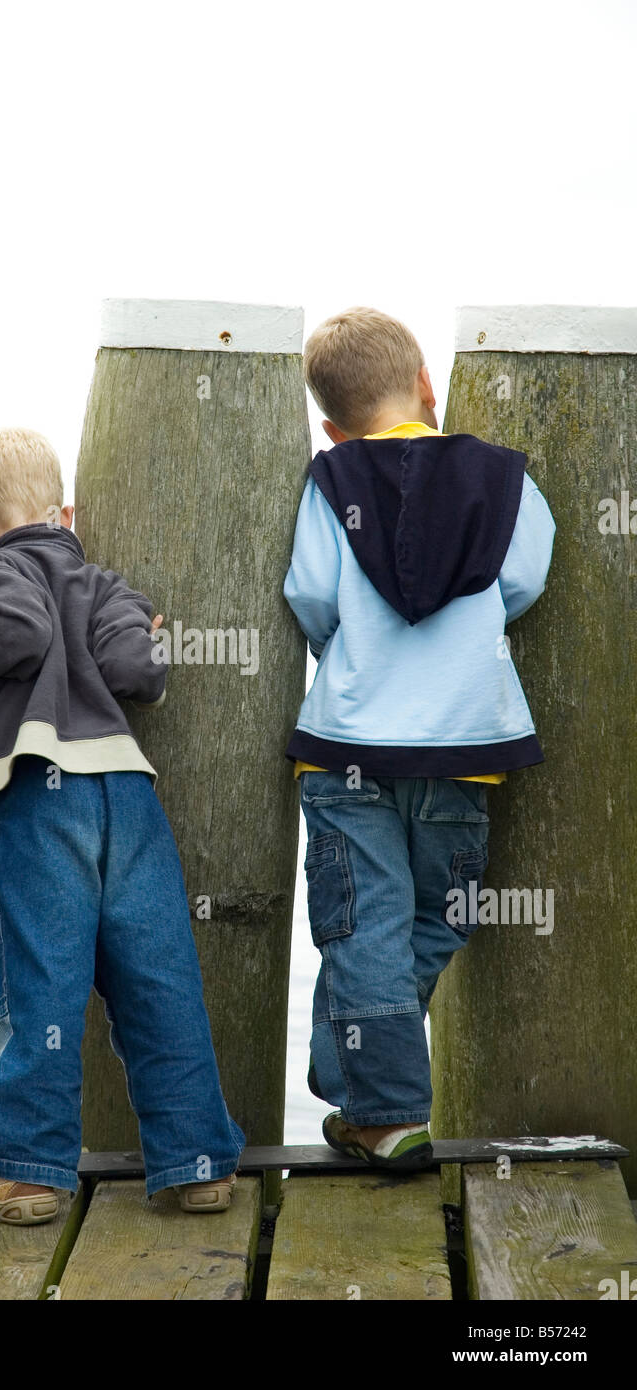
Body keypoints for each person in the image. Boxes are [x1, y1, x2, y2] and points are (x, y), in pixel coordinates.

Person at [0, 427, 243, 1223]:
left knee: (42, 977)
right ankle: (197, 1161)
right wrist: (146, 643)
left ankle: (25, 1166)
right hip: (127, 795)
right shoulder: (103, 582)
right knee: (159, 979)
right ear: (65, 511)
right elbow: (137, 675)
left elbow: (20, 633)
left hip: (41, 793)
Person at [284, 307, 555, 1170]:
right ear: (428, 388)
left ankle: (385, 1105)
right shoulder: (505, 478)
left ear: (329, 425)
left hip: (350, 747)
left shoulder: (330, 483)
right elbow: (523, 577)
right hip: (468, 746)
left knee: (362, 928)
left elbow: (313, 597)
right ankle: (373, 1091)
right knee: (437, 919)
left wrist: (355, 647)